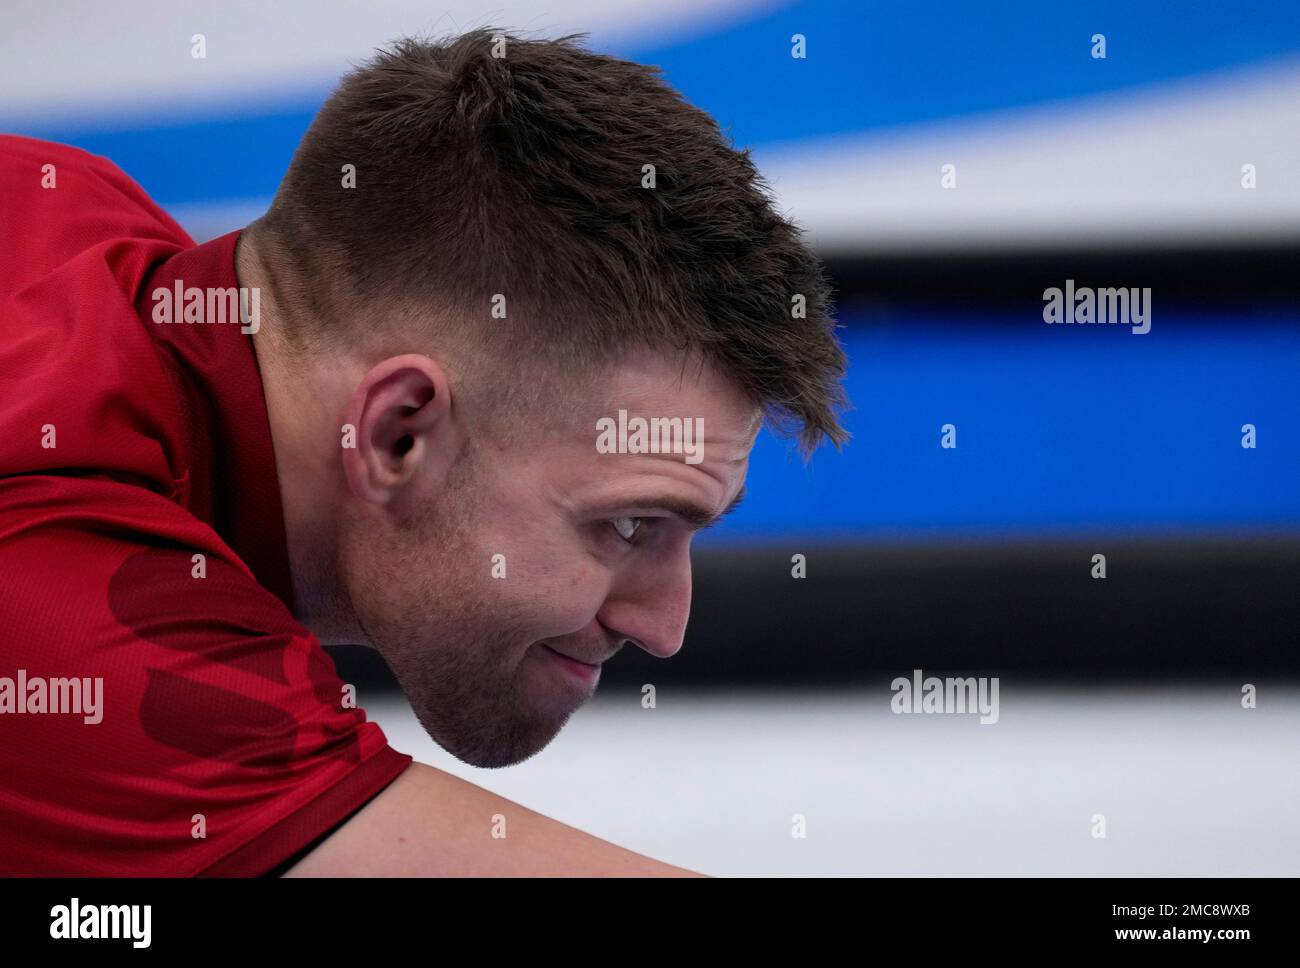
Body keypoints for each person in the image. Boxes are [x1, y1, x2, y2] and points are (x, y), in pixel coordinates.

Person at [0, 28, 847, 876]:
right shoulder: (70, 600)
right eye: (629, 524)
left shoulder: (67, 212)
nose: (665, 628)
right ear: (397, 433)